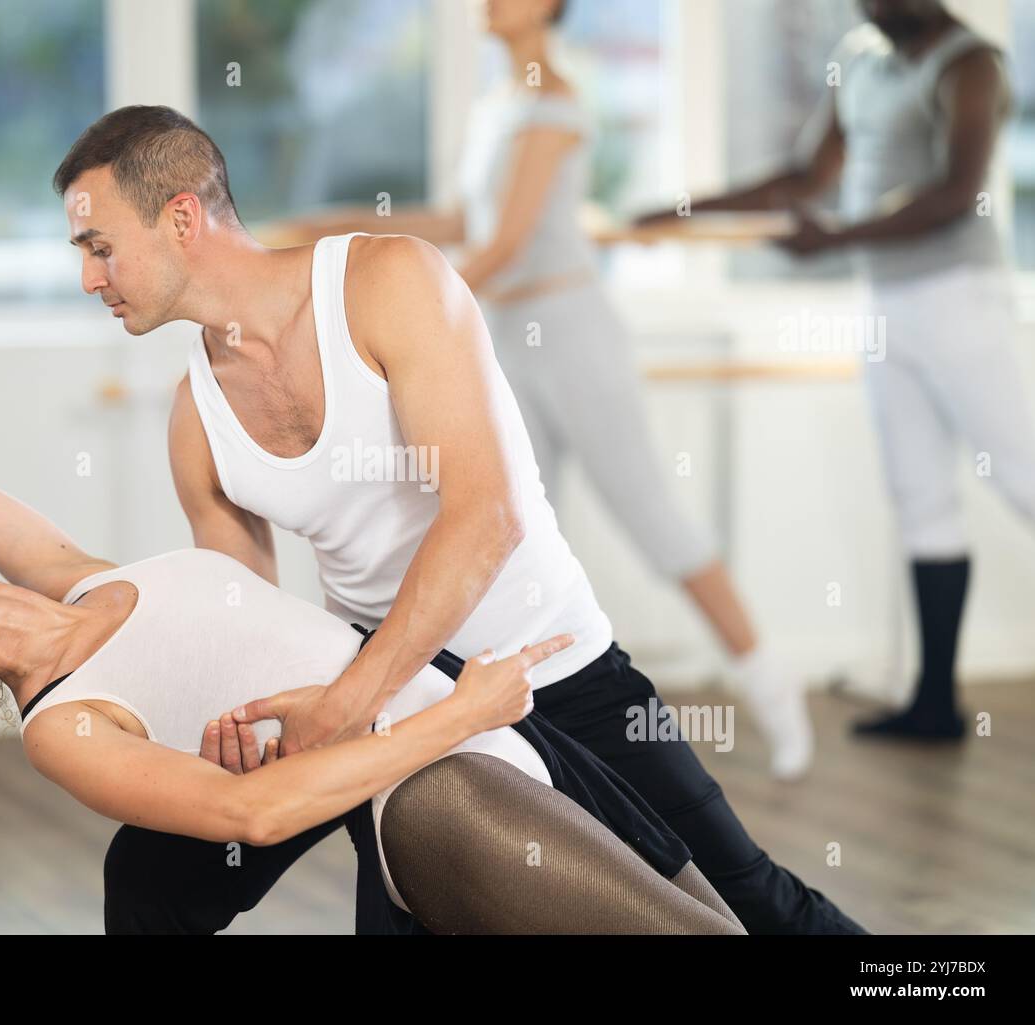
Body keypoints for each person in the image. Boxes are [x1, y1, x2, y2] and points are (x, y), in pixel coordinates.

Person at [50, 100, 867, 933]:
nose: (89, 278)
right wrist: (237, 731)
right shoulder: (196, 421)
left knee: (755, 902)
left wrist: (349, 701)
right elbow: (247, 624)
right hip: (402, 718)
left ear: (181, 218)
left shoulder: (388, 282)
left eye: (99, 246)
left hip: (554, 672)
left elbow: (486, 517)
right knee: (149, 877)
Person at [0, 444, 748, 935]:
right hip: (440, 796)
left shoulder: (82, 574)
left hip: (511, 742)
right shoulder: (64, 726)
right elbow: (249, 813)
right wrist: (458, 712)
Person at [265, 0, 814, 780]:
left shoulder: (556, 102)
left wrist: (401, 306)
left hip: (573, 334)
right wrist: (335, 227)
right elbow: (460, 220)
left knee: (652, 516)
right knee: (507, 536)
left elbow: (507, 245)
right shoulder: (498, 105)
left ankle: (772, 686)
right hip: (506, 337)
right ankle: (518, 725)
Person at [639, 0, 1034, 741]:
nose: (868, 6)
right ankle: (935, 704)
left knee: (1022, 475)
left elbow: (958, 192)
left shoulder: (971, 65)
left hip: (960, 298)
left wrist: (838, 238)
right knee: (921, 497)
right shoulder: (857, 58)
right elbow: (804, 177)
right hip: (887, 300)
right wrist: (680, 212)